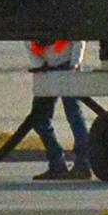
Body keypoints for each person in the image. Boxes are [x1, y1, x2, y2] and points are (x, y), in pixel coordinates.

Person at [28, 38, 94, 178]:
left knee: (74, 115)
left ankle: (83, 164)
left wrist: (75, 64)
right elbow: (30, 46)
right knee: (39, 119)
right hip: (46, 69)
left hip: (67, 66)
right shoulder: (29, 27)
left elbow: (79, 39)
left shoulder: (61, 23)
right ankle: (57, 165)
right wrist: (40, 66)